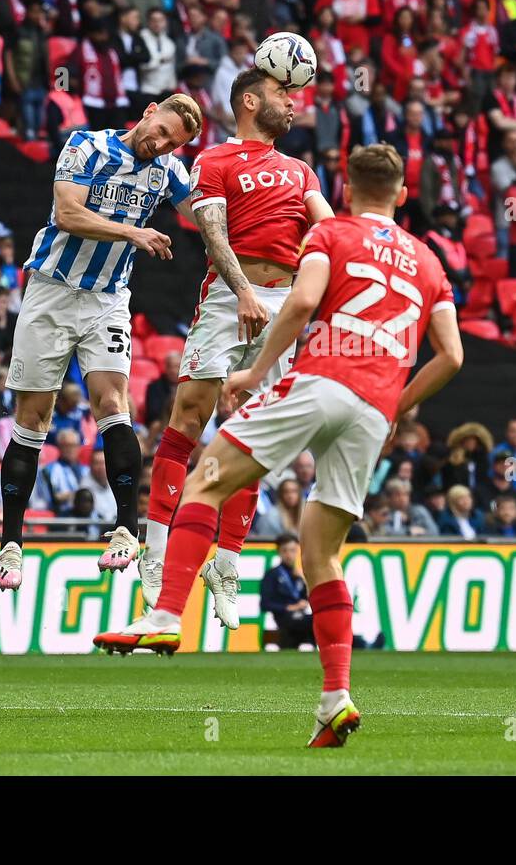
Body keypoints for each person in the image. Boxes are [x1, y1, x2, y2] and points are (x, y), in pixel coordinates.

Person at [95, 143, 462, 750]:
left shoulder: (333, 235)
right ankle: (335, 696)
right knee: (322, 555)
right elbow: (451, 355)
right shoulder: (429, 260)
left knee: (205, 479)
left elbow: (299, 301)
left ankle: (165, 616)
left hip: (321, 379)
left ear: (345, 189)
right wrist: (398, 405)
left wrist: (253, 370)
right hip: (374, 409)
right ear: (402, 193)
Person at [140, 66, 334, 625]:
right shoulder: (213, 161)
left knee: (257, 439)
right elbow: (212, 234)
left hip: (284, 303)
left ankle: (225, 563)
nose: (293, 103)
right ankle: (156, 553)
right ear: (250, 100)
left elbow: (327, 228)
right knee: (189, 420)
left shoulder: (301, 170)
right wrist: (244, 290)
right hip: (230, 298)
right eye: (283, 93)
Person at [0, 95, 201, 592]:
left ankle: (127, 530)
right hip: (51, 291)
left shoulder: (168, 170)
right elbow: (67, 214)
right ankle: (11, 542)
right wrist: (134, 233)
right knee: (33, 417)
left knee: (112, 401)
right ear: (150, 111)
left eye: (175, 143)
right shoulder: (85, 146)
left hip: (107, 299)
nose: (163, 144)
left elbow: (205, 215)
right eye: (163, 131)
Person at [259, 533, 314, 650]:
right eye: (285, 551)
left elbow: (310, 597)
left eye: (293, 550)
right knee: (310, 622)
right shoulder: (272, 575)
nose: (289, 555)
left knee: (318, 620)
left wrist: (305, 581)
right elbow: (265, 604)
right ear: (279, 552)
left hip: (301, 616)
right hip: (284, 617)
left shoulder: (299, 574)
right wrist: (287, 607)